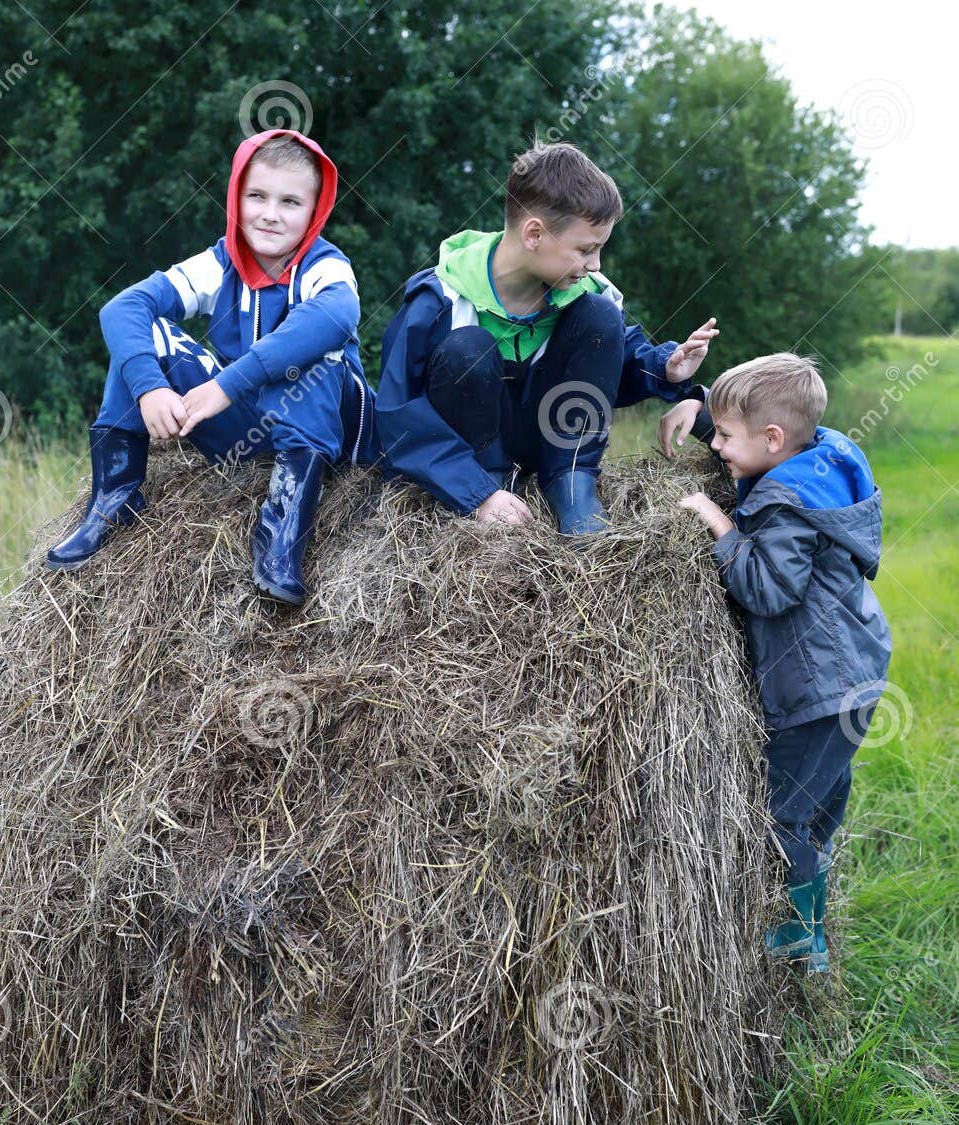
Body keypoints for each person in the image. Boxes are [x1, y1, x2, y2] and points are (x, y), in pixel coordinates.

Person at [47, 129, 378, 605]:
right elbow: (122, 308)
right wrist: (149, 389)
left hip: (327, 433)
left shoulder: (325, 265)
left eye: (290, 202)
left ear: (315, 211)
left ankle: (283, 533)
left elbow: (335, 316)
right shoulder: (219, 262)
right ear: (236, 197)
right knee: (138, 338)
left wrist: (228, 382)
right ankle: (115, 498)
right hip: (247, 430)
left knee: (312, 353)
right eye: (257, 196)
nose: (269, 213)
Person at [672, 354, 892, 973]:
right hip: (852, 671)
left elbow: (769, 589)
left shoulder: (785, 506)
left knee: (782, 816)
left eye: (722, 438)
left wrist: (720, 525)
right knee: (818, 803)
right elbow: (761, 423)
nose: (716, 449)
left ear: (772, 440)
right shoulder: (819, 458)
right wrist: (700, 409)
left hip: (818, 685)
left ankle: (799, 945)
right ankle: (813, 915)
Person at [375, 140, 717, 533]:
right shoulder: (439, 299)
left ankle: (573, 486)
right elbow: (398, 413)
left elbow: (606, 370)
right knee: (466, 350)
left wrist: (665, 370)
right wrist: (477, 492)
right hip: (473, 463)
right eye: (586, 249)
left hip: (556, 448)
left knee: (601, 317)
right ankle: (495, 487)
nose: (595, 264)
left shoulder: (590, 293)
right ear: (534, 234)